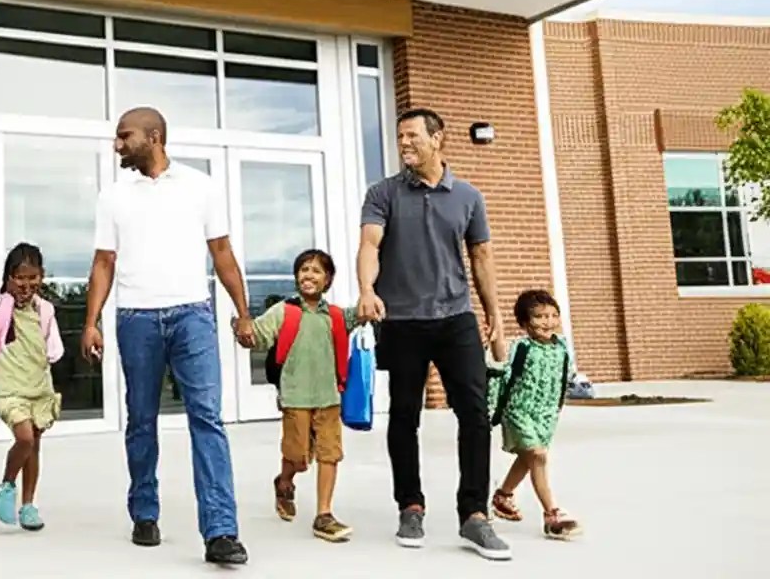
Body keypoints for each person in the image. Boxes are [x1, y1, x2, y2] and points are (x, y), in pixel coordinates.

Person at [81, 106, 254, 565]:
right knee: (141, 420)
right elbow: (103, 262)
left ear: (154, 137)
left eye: (125, 136)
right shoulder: (113, 196)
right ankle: (144, 511)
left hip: (192, 316)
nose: (117, 144)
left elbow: (221, 251)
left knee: (207, 418)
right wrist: (91, 320)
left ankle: (221, 530)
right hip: (136, 318)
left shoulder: (199, 186)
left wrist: (242, 312)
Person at [355, 107, 512, 561]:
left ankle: (475, 515)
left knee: (475, 415)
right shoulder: (382, 193)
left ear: (437, 138)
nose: (404, 143)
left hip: (455, 318)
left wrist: (494, 313)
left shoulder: (467, 196)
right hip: (401, 321)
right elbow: (370, 243)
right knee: (404, 415)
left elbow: (481, 257)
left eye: (411, 136)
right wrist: (367, 289)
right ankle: (410, 505)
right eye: (399, 136)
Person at [245, 249, 356, 543]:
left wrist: (375, 297)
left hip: (329, 397)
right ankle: (284, 482)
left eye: (316, 271)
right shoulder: (284, 311)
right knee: (297, 457)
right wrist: (243, 329)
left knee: (330, 454)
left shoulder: (334, 315)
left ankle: (324, 514)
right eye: (304, 269)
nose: (308, 275)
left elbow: (360, 315)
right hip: (295, 398)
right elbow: (257, 335)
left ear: (328, 279)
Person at [0, 242, 64, 531]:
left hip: (38, 385)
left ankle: (29, 505)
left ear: (42, 277)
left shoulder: (44, 310)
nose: (26, 284)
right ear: (8, 278)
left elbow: (52, 349)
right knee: (25, 439)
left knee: (34, 446)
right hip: (11, 388)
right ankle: (8, 484)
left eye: (33, 277)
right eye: (19, 277)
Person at [488, 289, 581, 540]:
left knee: (528, 457)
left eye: (553, 315)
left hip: (547, 413)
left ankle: (503, 495)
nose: (548, 322)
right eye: (540, 317)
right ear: (525, 322)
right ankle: (552, 514)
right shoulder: (521, 347)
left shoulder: (561, 346)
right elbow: (503, 373)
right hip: (519, 411)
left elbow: (567, 374)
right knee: (538, 456)